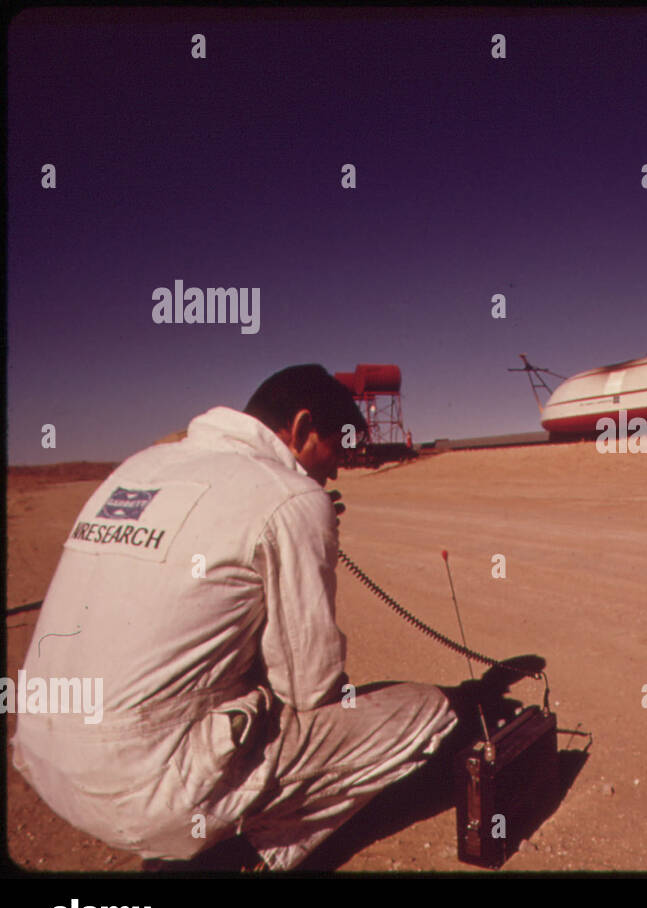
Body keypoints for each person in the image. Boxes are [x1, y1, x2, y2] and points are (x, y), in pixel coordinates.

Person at [12, 364, 462, 871]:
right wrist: (305, 523)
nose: (332, 473)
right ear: (300, 426)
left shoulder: (139, 466)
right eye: (332, 453)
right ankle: (245, 858)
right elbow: (309, 689)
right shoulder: (293, 499)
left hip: (44, 759)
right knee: (428, 711)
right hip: (144, 790)